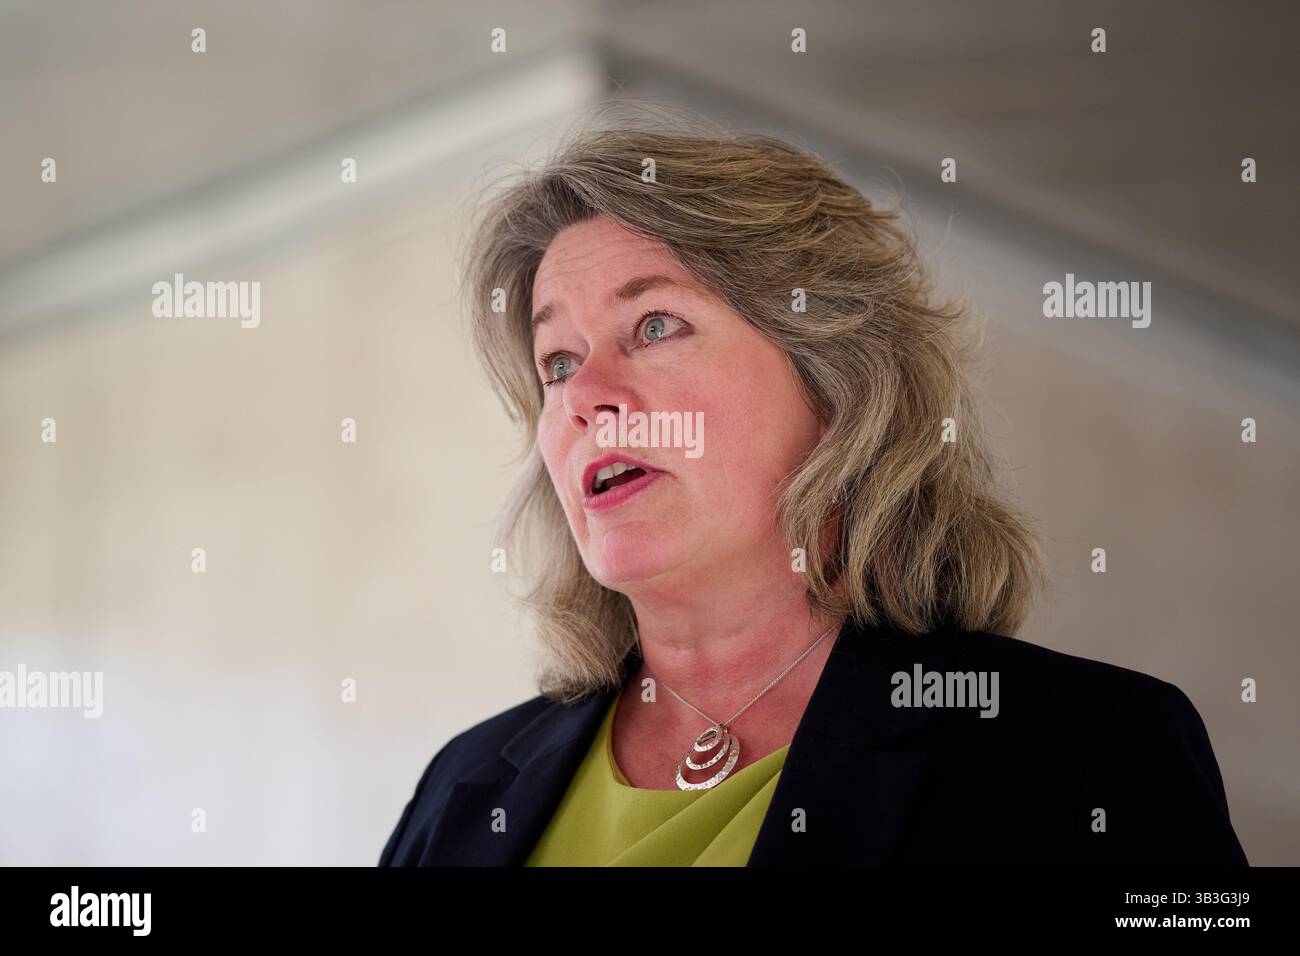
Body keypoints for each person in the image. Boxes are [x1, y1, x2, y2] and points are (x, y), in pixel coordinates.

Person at [379, 104, 1248, 866]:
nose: (586, 399)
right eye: (557, 361)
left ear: (836, 381)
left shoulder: (1085, 754)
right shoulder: (462, 785)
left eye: (654, 324)